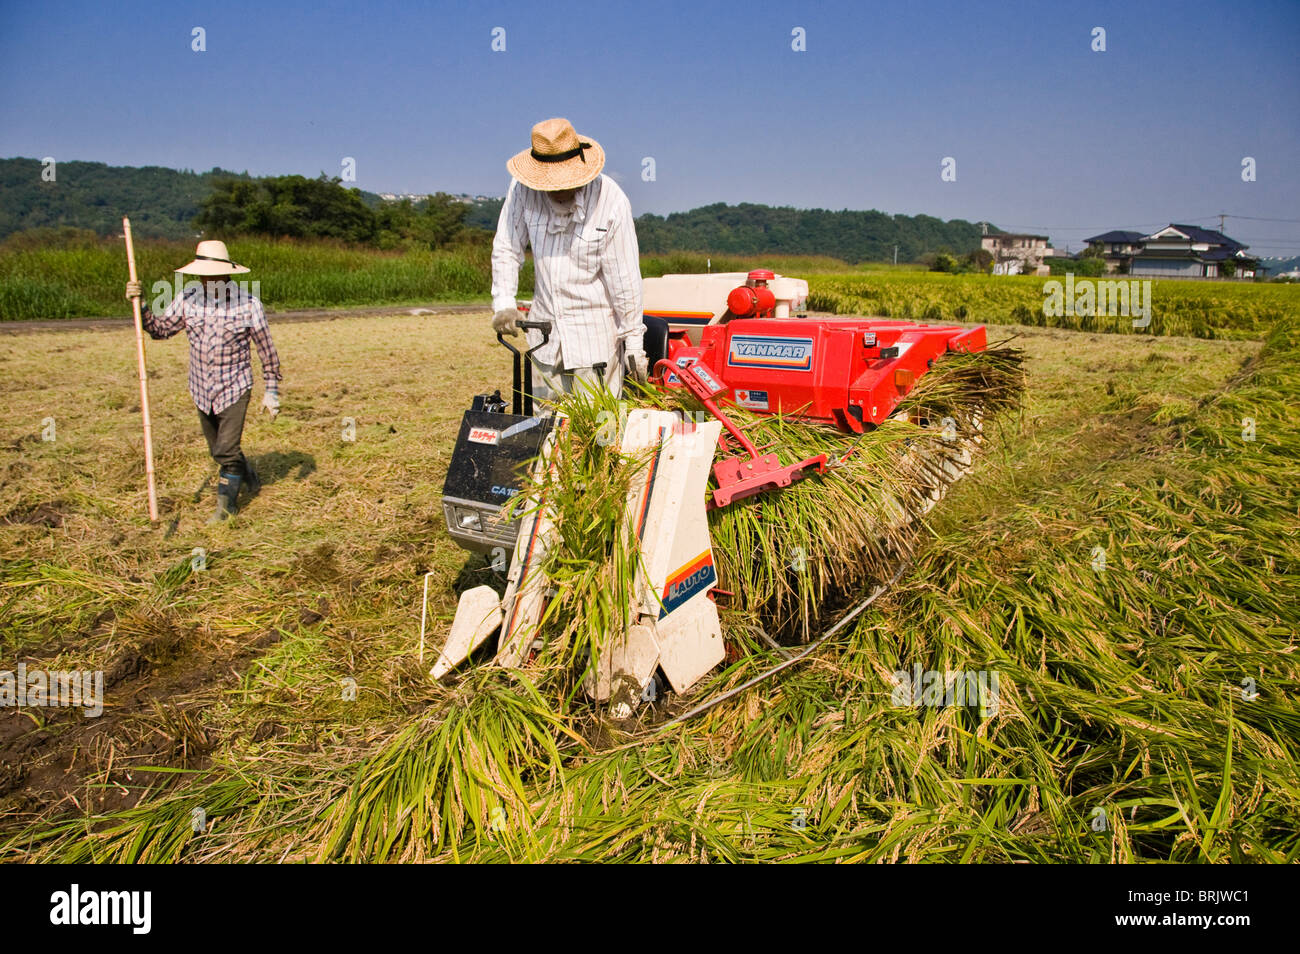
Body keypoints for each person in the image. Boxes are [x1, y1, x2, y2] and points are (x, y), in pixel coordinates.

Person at [125, 240, 281, 523]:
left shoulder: (248, 304)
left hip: (235, 386)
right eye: (203, 274)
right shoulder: (188, 298)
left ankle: (226, 509)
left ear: (226, 273)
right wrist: (142, 305)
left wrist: (271, 390)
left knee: (226, 450)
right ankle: (248, 474)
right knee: (217, 450)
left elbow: (266, 348)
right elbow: (160, 330)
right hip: (200, 387)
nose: (207, 280)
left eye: (213, 274)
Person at [490, 117, 646, 400]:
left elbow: (625, 280)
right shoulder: (522, 191)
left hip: (595, 345)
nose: (556, 189)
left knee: (600, 433)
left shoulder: (610, 201)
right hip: (544, 339)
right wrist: (504, 304)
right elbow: (506, 247)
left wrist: (634, 344)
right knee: (544, 430)